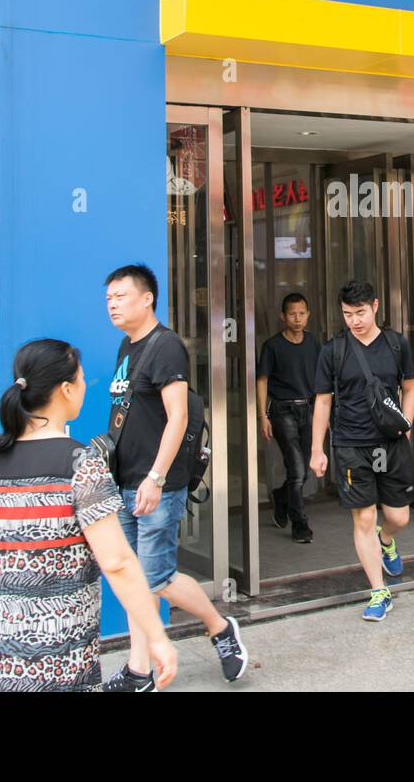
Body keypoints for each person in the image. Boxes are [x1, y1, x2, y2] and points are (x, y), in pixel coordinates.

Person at [0, 339, 178, 691]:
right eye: (82, 378)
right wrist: (157, 638)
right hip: (58, 649)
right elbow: (118, 562)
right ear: (65, 390)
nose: (85, 386)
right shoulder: (80, 464)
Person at [103, 263, 248, 686]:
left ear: (147, 298)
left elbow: (178, 416)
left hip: (155, 486)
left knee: (157, 576)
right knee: (136, 581)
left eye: (121, 296)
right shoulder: (126, 347)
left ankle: (220, 627)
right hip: (126, 482)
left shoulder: (165, 347)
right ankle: (139, 669)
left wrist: (156, 477)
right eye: (108, 298)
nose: (112, 304)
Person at [309, 279, 414, 621]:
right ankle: (378, 591)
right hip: (350, 444)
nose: (354, 321)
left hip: (389, 442)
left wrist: (406, 424)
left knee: (398, 516)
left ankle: (387, 540)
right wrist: (317, 449)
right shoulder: (333, 350)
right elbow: (323, 401)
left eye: (360, 313)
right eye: (347, 314)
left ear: (375, 306)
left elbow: (411, 388)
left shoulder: (396, 344)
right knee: (364, 517)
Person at [257, 293, 321, 543]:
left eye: (302, 313)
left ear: (308, 315)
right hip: (282, 411)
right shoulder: (272, 346)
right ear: (282, 316)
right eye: (292, 314)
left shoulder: (313, 343)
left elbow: (321, 379)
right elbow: (261, 381)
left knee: (303, 471)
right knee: (295, 469)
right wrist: (263, 416)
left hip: (307, 409)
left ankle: (281, 497)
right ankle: (299, 523)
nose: (297, 318)